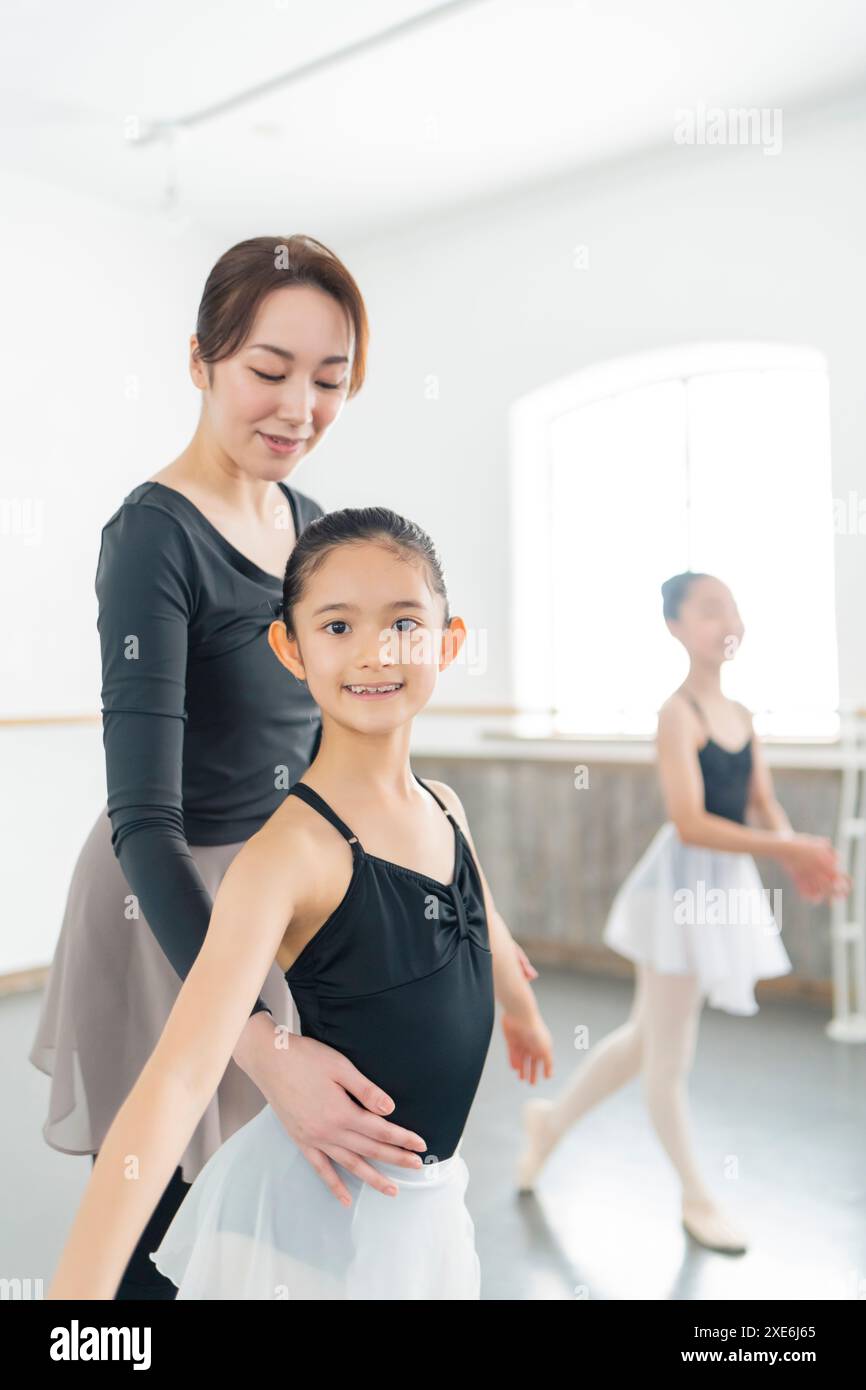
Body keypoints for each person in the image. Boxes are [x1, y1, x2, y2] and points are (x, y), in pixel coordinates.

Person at [30, 233, 538, 1299]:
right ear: (200, 361)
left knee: (276, 1206)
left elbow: (352, 748)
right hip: (165, 901)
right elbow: (143, 821)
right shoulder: (152, 536)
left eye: (330, 380)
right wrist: (258, 1042)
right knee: (169, 1213)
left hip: (300, 888)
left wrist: (470, 923)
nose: (298, 406)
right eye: (268, 371)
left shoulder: (308, 523)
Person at [515, 570, 849, 1254]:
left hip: (723, 889)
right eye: (707, 609)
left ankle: (550, 1124)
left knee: (648, 1039)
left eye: (731, 607)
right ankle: (697, 1197)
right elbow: (690, 821)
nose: (725, 619)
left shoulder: (744, 717)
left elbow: (760, 804)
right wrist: (786, 845)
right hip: (679, 890)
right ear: (675, 627)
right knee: (667, 1059)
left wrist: (794, 857)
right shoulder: (677, 715)